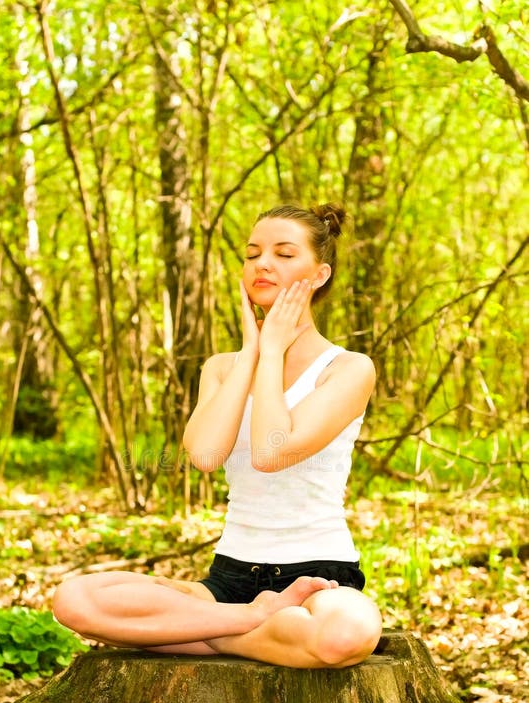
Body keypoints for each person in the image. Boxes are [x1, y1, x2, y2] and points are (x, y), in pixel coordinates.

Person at [53, 202, 382, 668]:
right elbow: (206, 455)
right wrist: (252, 353)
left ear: (320, 273)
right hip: (229, 582)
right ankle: (253, 621)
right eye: (253, 254)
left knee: (345, 633)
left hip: (319, 581)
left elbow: (272, 452)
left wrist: (270, 354)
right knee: (76, 600)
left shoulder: (348, 369)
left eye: (284, 254)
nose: (262, 263)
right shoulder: (223, 367)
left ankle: (206, 632)